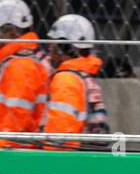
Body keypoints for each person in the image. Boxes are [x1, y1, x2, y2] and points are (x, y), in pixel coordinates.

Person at [0, 0, 51, 148]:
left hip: (14, 153)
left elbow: (17, 115)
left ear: (11, 31)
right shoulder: (22, 61)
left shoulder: (21, 65)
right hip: (16, 150)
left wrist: (0, 150)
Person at [41, 14, 110, 151]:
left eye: (53, 45)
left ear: (65, 47)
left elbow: (59, 136)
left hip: (67, 161)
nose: (49, 51)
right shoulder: (84, 75)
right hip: (86, 156)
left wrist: (48, 165)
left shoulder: (66, 79)